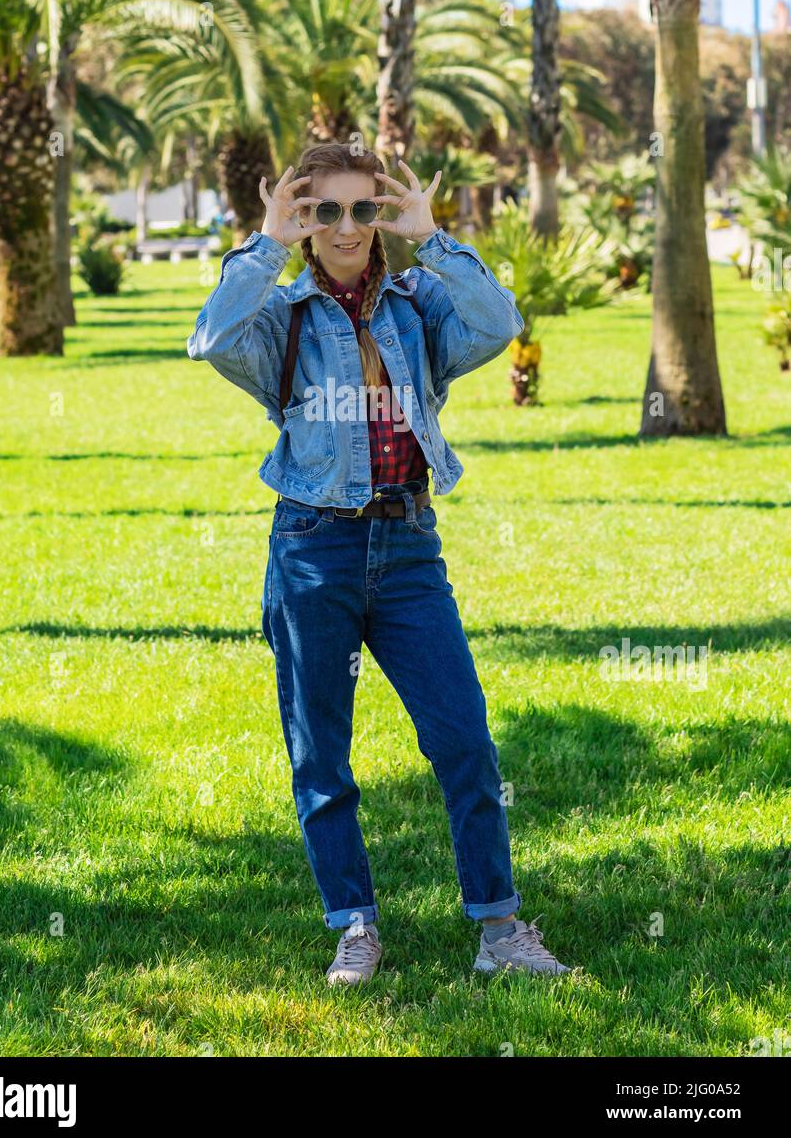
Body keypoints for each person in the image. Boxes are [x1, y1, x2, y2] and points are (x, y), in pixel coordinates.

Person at [188, 141, 571, 985]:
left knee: (463, 737)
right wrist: (264, 241)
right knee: (320, 750)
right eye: (324, 211)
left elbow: (500, 323)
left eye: (364, 208)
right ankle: (354, 926)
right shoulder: (279, 317)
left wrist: (433, 239)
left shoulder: (416, 303)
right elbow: (209, 335)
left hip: (406, 549)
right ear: (303, 222)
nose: (347, 227)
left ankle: (499, 931)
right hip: (311, 549)